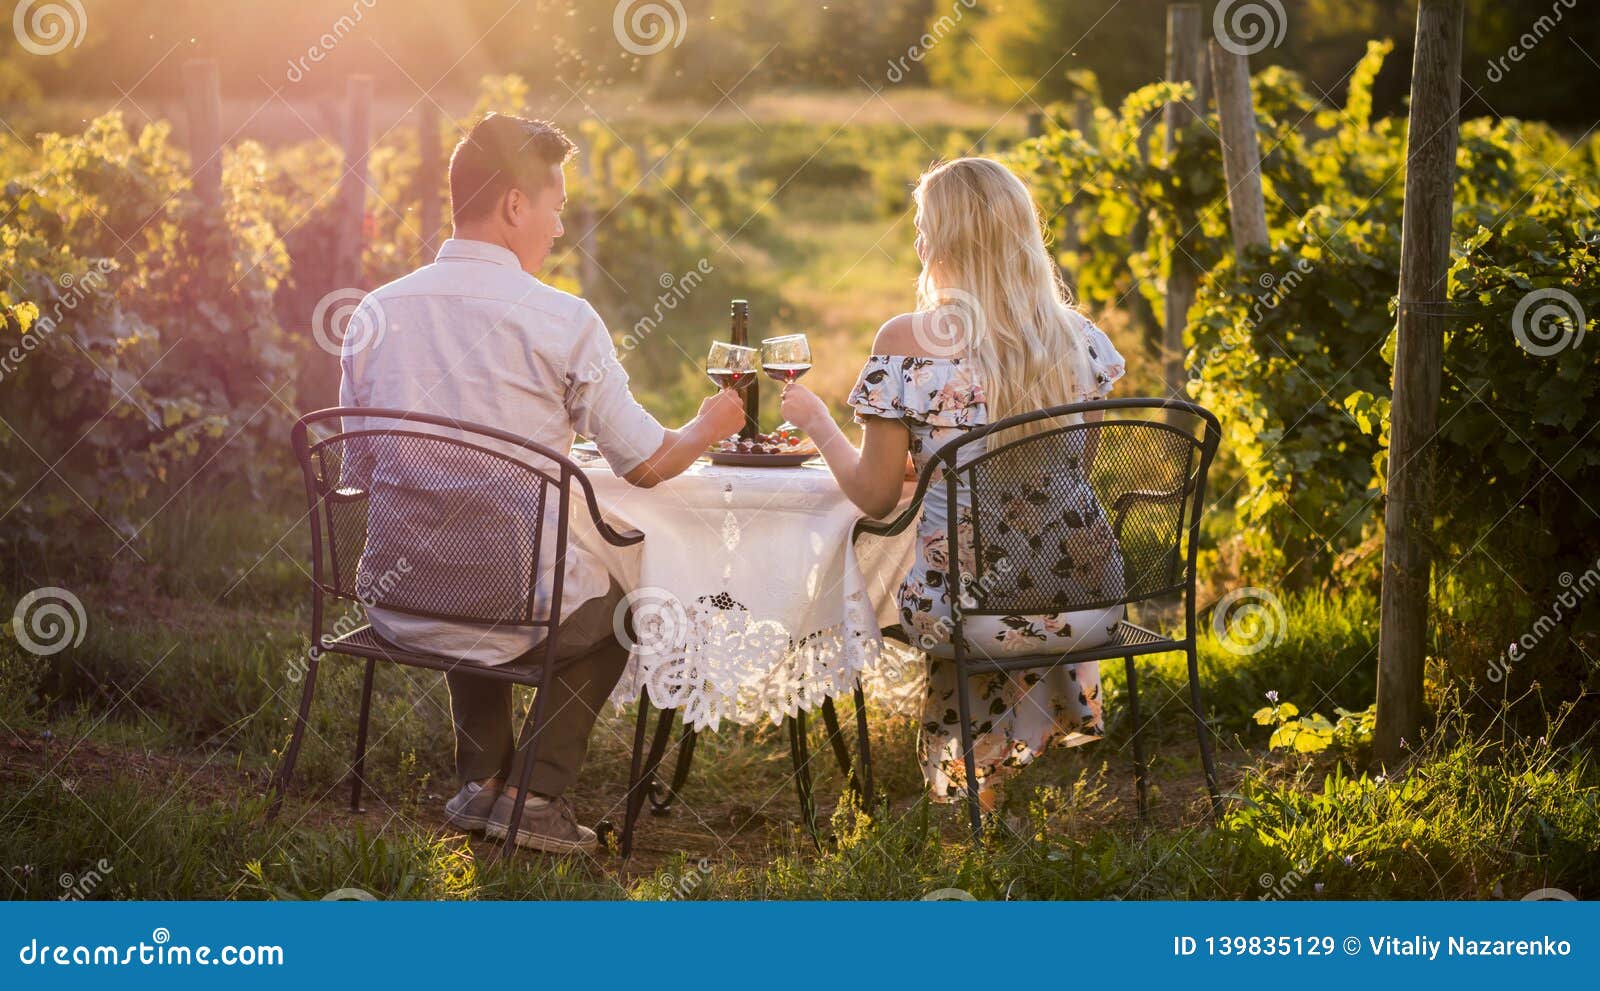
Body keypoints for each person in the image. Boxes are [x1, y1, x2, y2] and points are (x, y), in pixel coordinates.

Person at [339, 113, 746, 853]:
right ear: (516, 207)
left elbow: (361, 469)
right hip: (506, 609)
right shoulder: (563, 319)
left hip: (399, 600)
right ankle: (533, 793)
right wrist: (709, 426)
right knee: (623, 602)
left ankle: (481, 782)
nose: (558, 228)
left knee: (478, 544)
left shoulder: (374, 310)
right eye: (555, 208)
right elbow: (645, 463)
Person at [781, 157, 1128, 813]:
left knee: (945, 577)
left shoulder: (907, 343)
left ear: (936, 241)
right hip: (1089, 598)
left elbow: (876, 496)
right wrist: (943, 464)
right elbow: (1065, 472)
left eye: (922, 227)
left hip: (967, 611)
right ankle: (1003, 779)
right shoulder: (1080, 337)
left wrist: (819, 423)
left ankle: (980, 784)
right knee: (1011, 566)